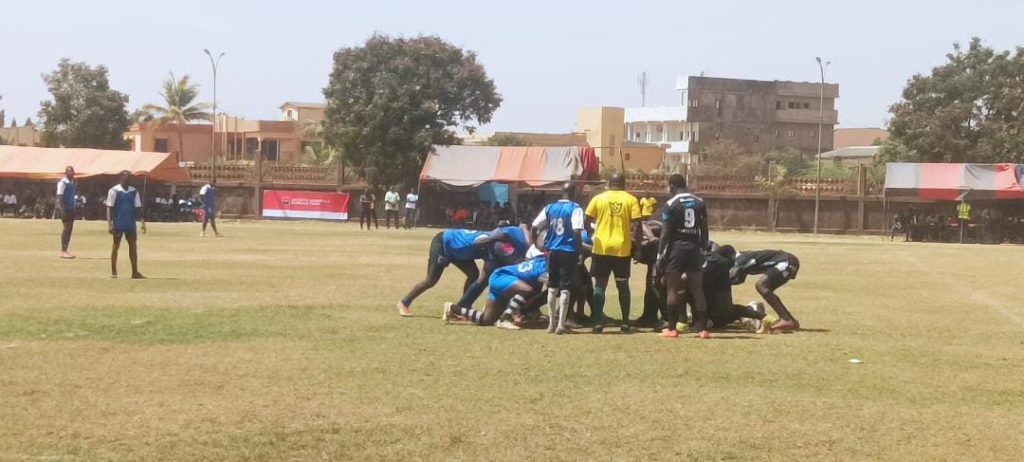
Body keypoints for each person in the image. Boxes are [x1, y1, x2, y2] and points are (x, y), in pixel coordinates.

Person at [396, 224, 531, 317]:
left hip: (460, 254)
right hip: (443, 243)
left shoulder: (493, 246)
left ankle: (463, 307)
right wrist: (496, 237)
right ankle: (404, 303)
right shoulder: (486, 239)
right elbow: (476, 243)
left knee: (473, 274)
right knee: (431, 280)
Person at [584, 173, 642, 334]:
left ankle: (597, 323)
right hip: (622, 249)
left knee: (600, 285)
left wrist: (591, 234)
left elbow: (586, 220)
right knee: (622, 285)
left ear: (609, 183)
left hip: (601, 248)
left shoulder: (598, 199)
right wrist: (638, 248)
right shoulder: (631, 200)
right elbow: (638, 225)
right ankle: (625, 323)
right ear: (624, 183)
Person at [656, 173, 711, 339]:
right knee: (697, 289)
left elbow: (665, 233)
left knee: (672, 288)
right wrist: (703, 248)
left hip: (676, 249)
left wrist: (660, 254)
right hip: (694, 248)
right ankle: (703, 329)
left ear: (672, 186)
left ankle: (672, 329)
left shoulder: (670, 204)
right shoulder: (699, 202)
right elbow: (704, 229)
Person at [532, 182, 585, 334]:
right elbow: (577, 231)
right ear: (574, 192)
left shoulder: (549, 207)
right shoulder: (575, 208)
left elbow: (534, 226)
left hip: (552, 251)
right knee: (566, 287)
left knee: (552, 286)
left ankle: (551, 324)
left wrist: (536, 243)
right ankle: (561, 325)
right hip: (568, 251)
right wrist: (580, 251)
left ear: (562, 192)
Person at [443, 253, 548, 328]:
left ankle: (452, 308)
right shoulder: (546, 267)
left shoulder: (540, 260)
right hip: (502, 277)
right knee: (527, 289)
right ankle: (505, 318)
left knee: (486, 320)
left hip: (500, 278)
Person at [695, 245, 768, 332]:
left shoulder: (715, 266)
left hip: (719, 308)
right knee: (714, 322)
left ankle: (752, 308)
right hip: (713, 305)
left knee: (717, 320)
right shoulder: (713, 265)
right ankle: (746, 314)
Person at [730, 249, 801, 331]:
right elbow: (739, 280)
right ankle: (791, 320)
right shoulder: (741, 259)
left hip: (786, 262)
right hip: (788, 262)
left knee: (761, 285)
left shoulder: (739, 259)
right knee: (768, 291)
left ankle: (785, 319)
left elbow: (734, 276)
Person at [106, 170, 147, 279]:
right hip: (118, 224)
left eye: (129, 178)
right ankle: (114, 271)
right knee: (115, 247)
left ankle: (135, 272)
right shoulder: (114, 191)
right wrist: (109, 224)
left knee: (133, 247)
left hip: (130, 224)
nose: (128, 180)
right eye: (126, 178)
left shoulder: (134, 191)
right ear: (121, 179)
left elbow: (138, 208)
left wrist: (142, 222)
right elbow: (109, 208)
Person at [56, 166, 77, 259]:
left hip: (71, 208)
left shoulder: (71, 182)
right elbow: (59, 197)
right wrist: (60, 209)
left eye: (72, 172)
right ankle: (63, 251)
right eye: (69, 172)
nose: (71, 174)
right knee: (66, 228)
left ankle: (65, 249)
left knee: (70, 229)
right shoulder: (62, 183)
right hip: (65, 208)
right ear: (66, 173)